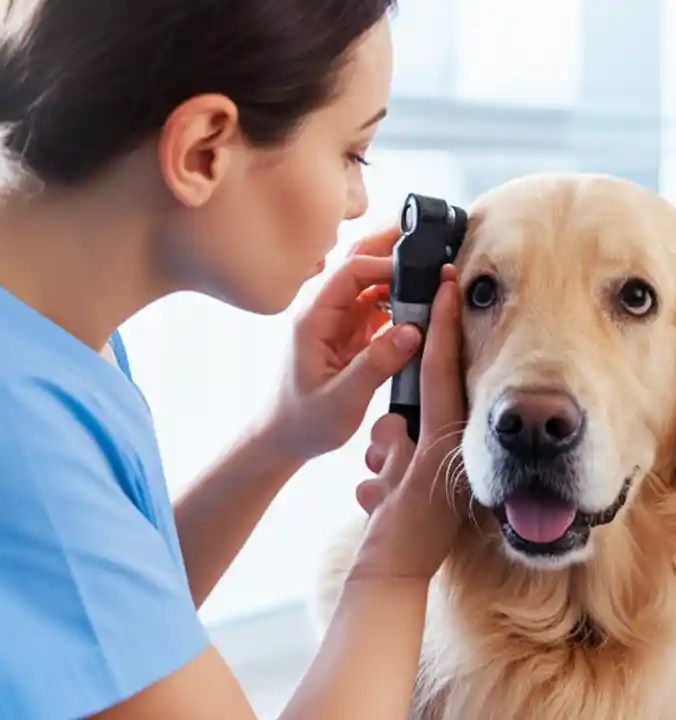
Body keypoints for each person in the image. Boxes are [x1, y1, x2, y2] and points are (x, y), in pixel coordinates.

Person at [0, 2, 466, 718]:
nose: (357, 201)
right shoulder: (21, 429)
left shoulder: (54, 336)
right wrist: (398, 563)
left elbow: (104, 628)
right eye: (351, 153)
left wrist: (280, 437)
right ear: (203, 150)